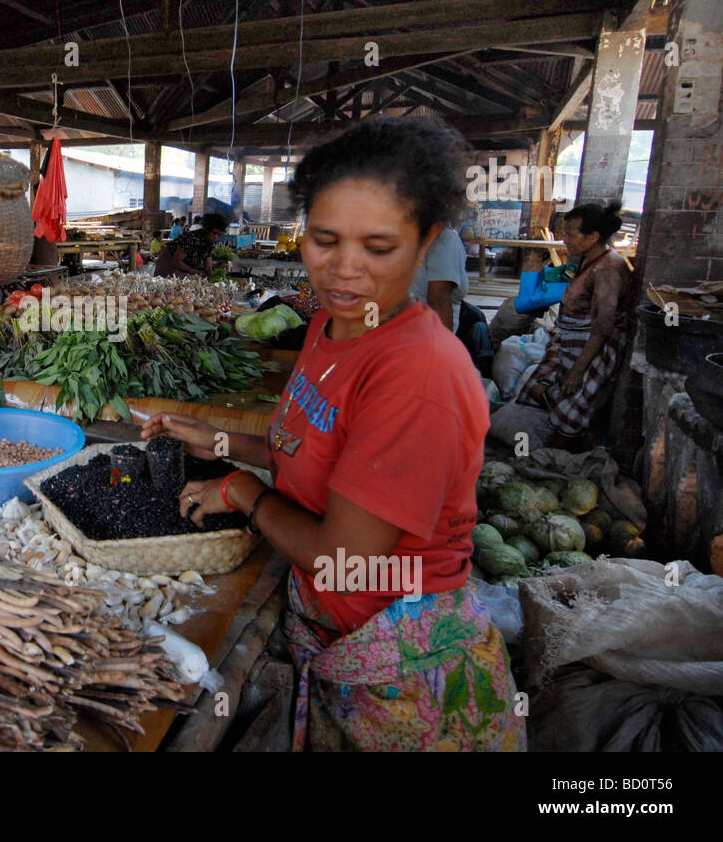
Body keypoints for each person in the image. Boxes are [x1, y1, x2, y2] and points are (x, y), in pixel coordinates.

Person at [142, 115, 523, 752]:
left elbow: (344, 563)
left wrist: (241, 491)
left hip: (402, 662)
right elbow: (315, 453)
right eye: (324, 240)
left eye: (378, 248)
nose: (345, 271)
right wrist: (223, 444)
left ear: (426, 239)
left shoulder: (418, 374)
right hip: (336, 636)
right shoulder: (329, 326)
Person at [512, 202, 632, 446]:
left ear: (593, 236)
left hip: (589, 350)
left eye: (569, 234)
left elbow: (602, 325)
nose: (564, 239)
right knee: (542, 391)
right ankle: (538, 445)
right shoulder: (591, 260)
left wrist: (578, 371)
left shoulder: (607, 269)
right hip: (570, 341)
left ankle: (559, 453)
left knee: (571, 407)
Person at [411, 222, 468, 332]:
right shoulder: (445, 239)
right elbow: (439, 301)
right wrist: (444, 346)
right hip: (422, 333)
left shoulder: (404, 234)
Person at [154, 213, 226, 278]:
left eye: (219, 235)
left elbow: (208, 267)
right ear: (207, 229)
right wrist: (197, 272)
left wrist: (213, 274)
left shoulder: (209, 243)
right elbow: (176, 262)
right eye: (214, 233)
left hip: (181, 268)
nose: (216, 237)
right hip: (168, 265)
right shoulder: (191, 239)